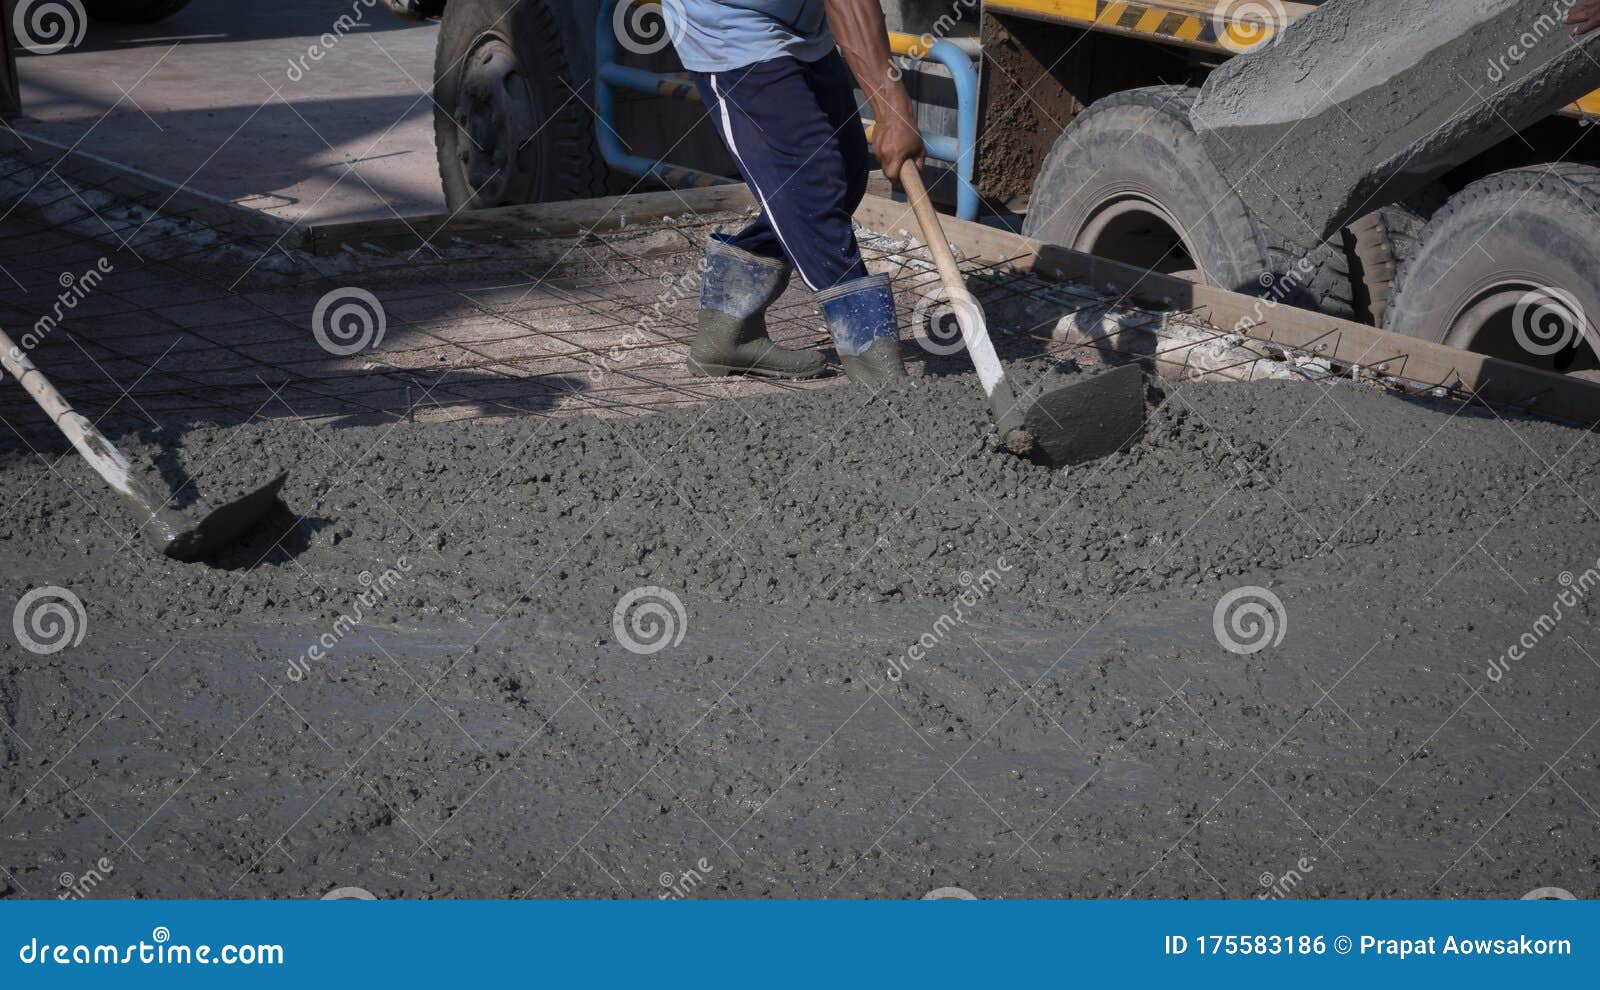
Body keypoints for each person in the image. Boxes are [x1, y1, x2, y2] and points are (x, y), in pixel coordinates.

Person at [666, 0, 925, 386]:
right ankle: (878, 373)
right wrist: (892, 109)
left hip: (802, 24)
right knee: (811, 185)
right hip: (731, 23)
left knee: (846, 173)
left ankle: (727, 332)